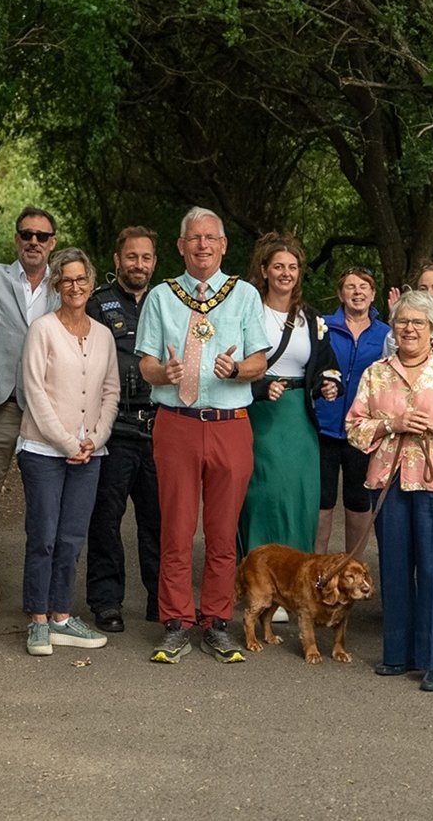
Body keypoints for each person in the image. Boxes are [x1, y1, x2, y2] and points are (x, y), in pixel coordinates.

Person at [135, 207, 270, 665]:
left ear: (224, 245)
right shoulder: (162, 296)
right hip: (177, 424)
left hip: (230, 421)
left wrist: (236, 369)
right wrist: (164, 372)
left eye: (211, 237)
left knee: (222, 531)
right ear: (180, 246)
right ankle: (175, 622)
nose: (202, 245)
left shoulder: (245, 295)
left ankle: (217, 621)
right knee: (175, 526)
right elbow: (146, 363)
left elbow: (260, 362)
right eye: (193, 238)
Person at [345, 290, 433, 692]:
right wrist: (393, 423)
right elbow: (354, 428)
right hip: (389, 483)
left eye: (418, 323)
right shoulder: (376, 373)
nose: (409, 329)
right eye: (403, 321)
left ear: (432, 329)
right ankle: (399, 652)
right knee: (394, 564)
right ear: (394, 326)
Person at [16, 248, 120, 657]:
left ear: (91, 284)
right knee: (43, 535)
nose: (75, 287)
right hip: (43, 449)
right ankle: (37, 619)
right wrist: (66, 442)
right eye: (66, 280)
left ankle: (61, 614)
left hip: (91, 451)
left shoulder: (104, 335)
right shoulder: (42, 329)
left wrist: (96, 437)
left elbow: (110, 391)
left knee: (72, 537)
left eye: (82, 279)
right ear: (56, 285)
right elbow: (33, 391)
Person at [0, 208, 59, 621]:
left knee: (47, 507)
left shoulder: (66, 283)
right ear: (16, 240)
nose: (33, 242)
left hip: (48, 410)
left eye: (41, 236)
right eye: (26, 235)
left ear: (52, 242)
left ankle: (43, 592)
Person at [239, 233, 339, 556]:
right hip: (259, 412)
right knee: (262, 490)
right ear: (264, 270)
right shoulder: (248, 312)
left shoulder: (309, 317)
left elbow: (326, 363)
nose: (286, 273)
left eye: (292, 267)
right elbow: (232, 364)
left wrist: (329, 384)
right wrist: (260, 387)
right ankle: (257, 569)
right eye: (278, 266)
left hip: (298, 415)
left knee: (299, 493)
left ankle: (294, 572)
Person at [85, 227, 163, 633]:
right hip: (115, 428)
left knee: (160, 521)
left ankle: (161, 599)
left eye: (146, 258)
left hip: (161, 427)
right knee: (105, 520)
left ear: (155, 262)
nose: (138, 265)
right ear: (118, 261)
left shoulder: (167, 302)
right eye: (131, 257)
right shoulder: (99, 304)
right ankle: (106, 602)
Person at [316, 267, 388, 553]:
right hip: (324, 425)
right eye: (350, 287)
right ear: (340, 293)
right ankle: (316, 567)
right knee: (322, 500)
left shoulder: (387, 334)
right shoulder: (323, 327)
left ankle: (352, 567)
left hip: (363, 429)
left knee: (358, 500)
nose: (357, 292)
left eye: (364, 287)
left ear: (372, 294)